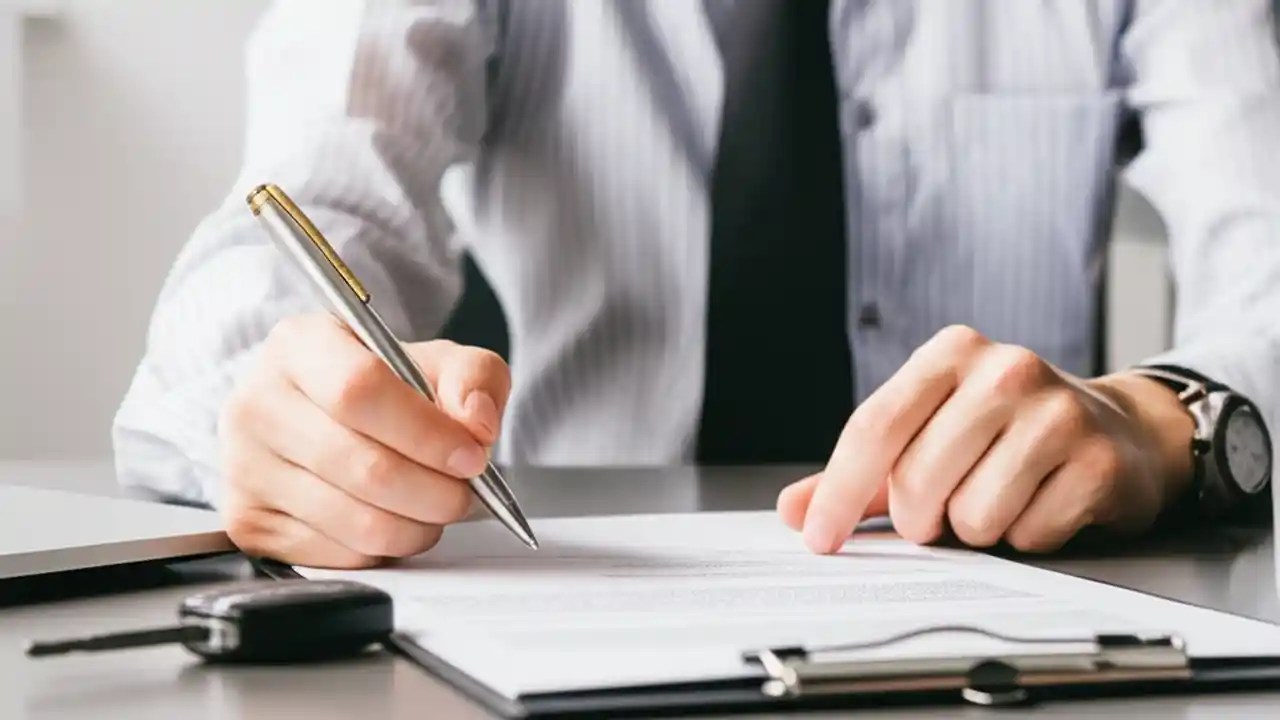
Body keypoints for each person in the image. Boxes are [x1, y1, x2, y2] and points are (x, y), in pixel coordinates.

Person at [115, 0, 1280, 568]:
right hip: (569, 596)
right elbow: (309, 204)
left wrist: (1172, 419)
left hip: (1012, 599)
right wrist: (267, 410)